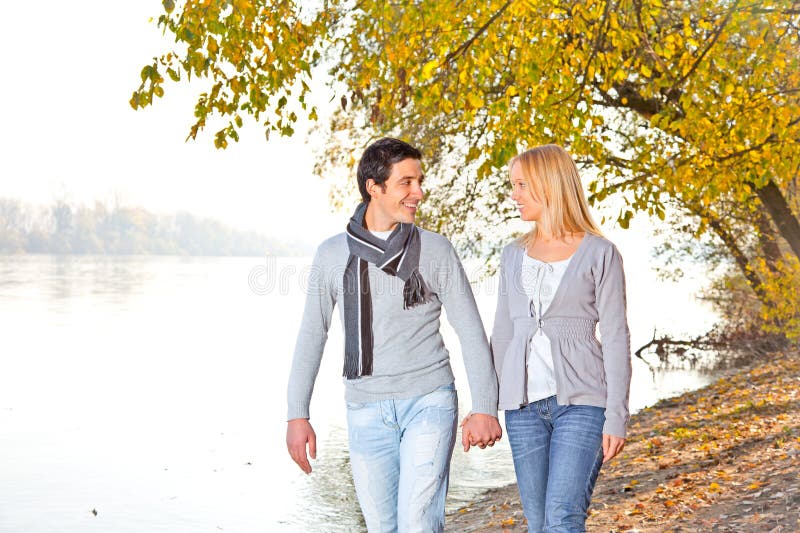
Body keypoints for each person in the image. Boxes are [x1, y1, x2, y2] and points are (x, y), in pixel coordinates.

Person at [286, 137, 502, 532]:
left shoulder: (435, 250)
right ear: (375, 187)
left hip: (430, 402)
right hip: (365, 409)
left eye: (419, 181)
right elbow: (311, 335)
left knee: (418, 524)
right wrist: (297, 414)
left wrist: (485, 405)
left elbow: (470, 329)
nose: (418, 192)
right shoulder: (332, 255)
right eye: (406, 182)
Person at [490, 144, 632, 532]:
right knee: (538, 523)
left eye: (521, 185)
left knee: (563, 517)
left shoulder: (601, 253)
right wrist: (487, 405)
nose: (513, 195)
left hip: (584, 404)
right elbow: (502, 333)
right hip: (522, 411)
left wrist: (617, 415)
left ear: (548, 185)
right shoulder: (512, 255)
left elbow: (616, 337)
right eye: (513, 185)